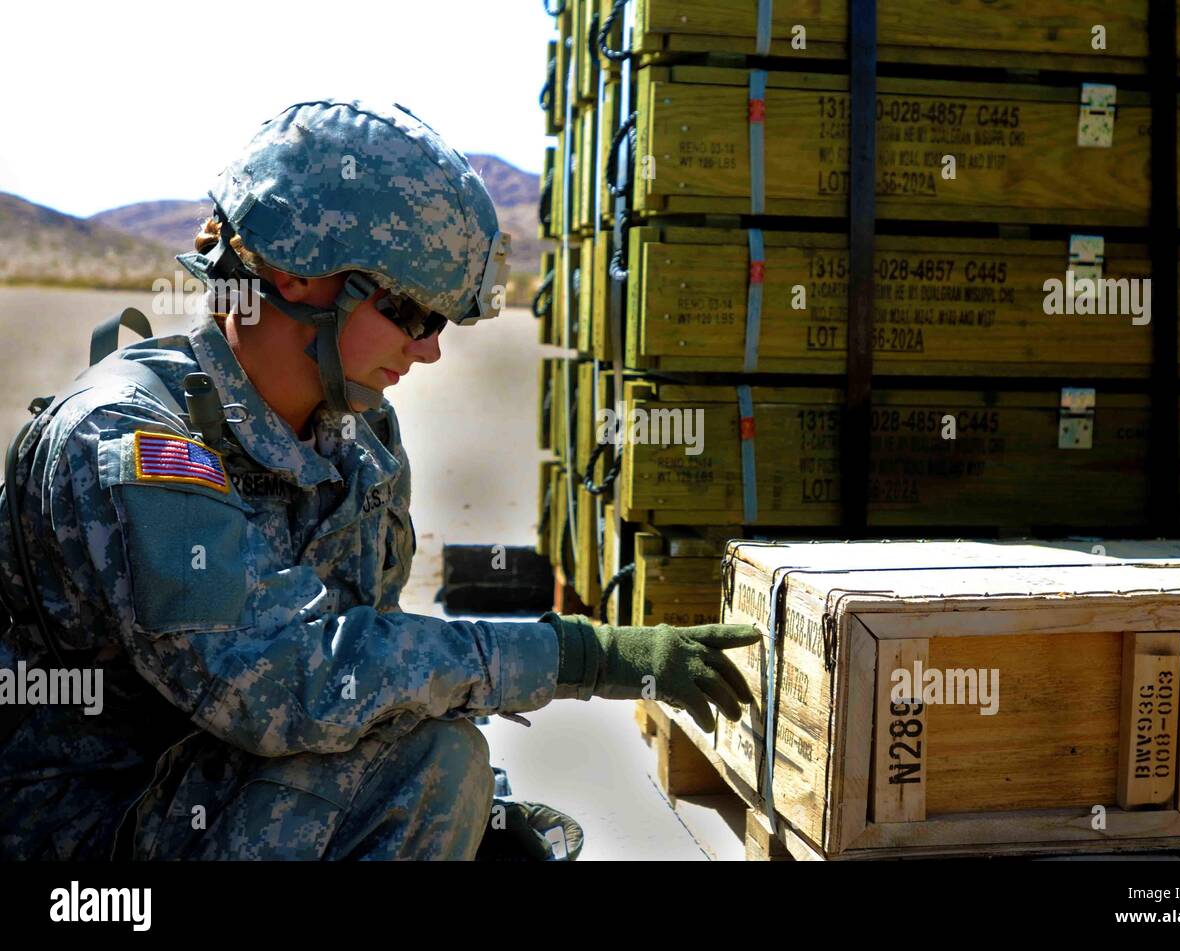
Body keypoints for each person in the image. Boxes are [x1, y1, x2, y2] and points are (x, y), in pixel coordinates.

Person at [0, 99, 759, 860]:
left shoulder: (357, 441)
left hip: (225, 788)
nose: (427, 352)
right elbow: (285, 681)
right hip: (94, 844)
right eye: (410, 314)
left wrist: (480, 818)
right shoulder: (130, 441)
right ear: (298, 274)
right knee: (435, 765)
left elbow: (381, 685)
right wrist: (579, 656)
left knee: (443, 762)